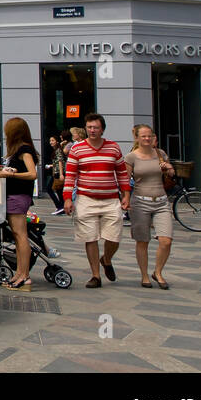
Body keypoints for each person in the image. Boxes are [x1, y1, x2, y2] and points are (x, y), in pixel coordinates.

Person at [63, 113, 130, 288]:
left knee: (114, 236)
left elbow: (122, 173)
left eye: (96, 127)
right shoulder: (77, 149)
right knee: (90, 237)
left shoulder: (113, 148)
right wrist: (67, 198)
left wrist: (126, 195)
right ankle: (95, 275)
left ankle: (106, 259)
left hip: (110, 199)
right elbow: (70, 176)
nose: (92, 130)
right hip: (86, 198)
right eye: (89, 127)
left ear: (102, 129)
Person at [124, 123, 175, 289]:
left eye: (150, 136)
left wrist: (169, 168)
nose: (147, 139)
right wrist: (125, 198)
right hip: (140, 201)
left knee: (166, 240)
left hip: (161, 201)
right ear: (137, 138)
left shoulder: (160, 154)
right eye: (144, 136)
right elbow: (125, 181)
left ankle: (158, 272)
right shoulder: (131, 157)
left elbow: (171, 174)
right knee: (142, 240)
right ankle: (144, 275)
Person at [0, 117, 39, 291]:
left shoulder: (24, 150)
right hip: (16, 196)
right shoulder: (20, 150)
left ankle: (24, 276)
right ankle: (19, 273)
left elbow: (32, 174)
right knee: (17, 235)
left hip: (18, 196)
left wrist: (11, 175)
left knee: (20, 235)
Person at [46, 135, 68, 214]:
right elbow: (57, 162)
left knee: (51, 189)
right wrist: (50, 166)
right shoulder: (57, 149)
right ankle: (61, 206)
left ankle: (60, 206)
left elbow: (60, 161)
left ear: (57, 141)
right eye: (50, 141)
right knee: (58, 190)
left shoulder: (58, 150)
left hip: (58, 173)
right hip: (56, 172)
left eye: (52, 140)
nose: (51, 142)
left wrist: (61, 174)